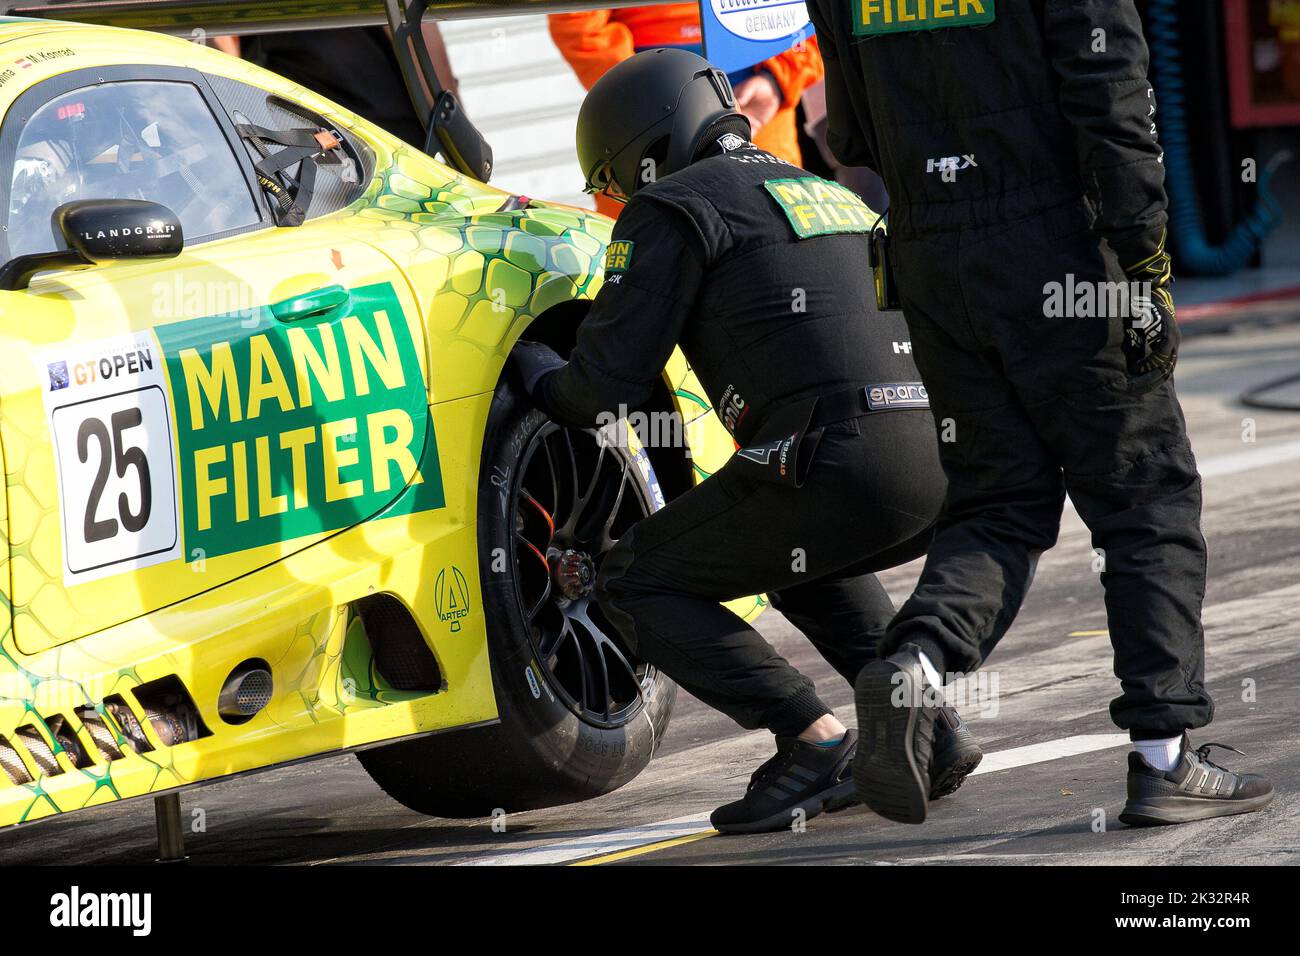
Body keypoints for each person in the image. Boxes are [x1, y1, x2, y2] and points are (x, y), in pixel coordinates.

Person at [803, 0, 1274, 826]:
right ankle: (1163, 760)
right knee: (1144, 499)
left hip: (931, 260)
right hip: (1060, 242)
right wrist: (1146, 262)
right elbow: (1113, 97)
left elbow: (850, 136)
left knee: (997, 503)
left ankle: (914, 662)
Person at [509, 48, 983, 835]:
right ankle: (928, 730)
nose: (615, 200)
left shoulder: (674, 206)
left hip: (840, 458)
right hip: (935, 459)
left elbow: (603, 386)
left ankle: (813, 743)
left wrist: (538, 379)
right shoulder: (826, 191)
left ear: (645, 150)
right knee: (795, 554)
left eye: (614, 183)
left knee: (633, 578)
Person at [548, 8, 822, 216]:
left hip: (756, 101)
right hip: (648, 121)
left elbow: (821, 13)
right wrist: (640, 94)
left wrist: (779, 78)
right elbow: (575, 20)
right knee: (646, 250)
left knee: (774, 228)